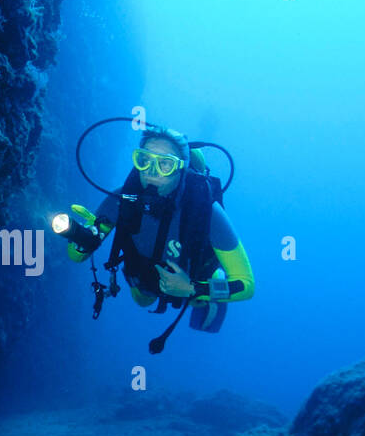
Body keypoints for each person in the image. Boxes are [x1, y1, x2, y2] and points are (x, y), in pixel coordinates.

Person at [65, 127, 254, 333]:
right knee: (143, 300)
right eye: (144, 160)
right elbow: (76, 257)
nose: (152, 171)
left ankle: (205, 288)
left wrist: (194, 288)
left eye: (165, 163)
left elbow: (246, 285)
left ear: (181, 169)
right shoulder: (122, 199)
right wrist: (82, 239)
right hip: (141, 278)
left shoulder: (207, 211)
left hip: (193, 280)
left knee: (194, 300)